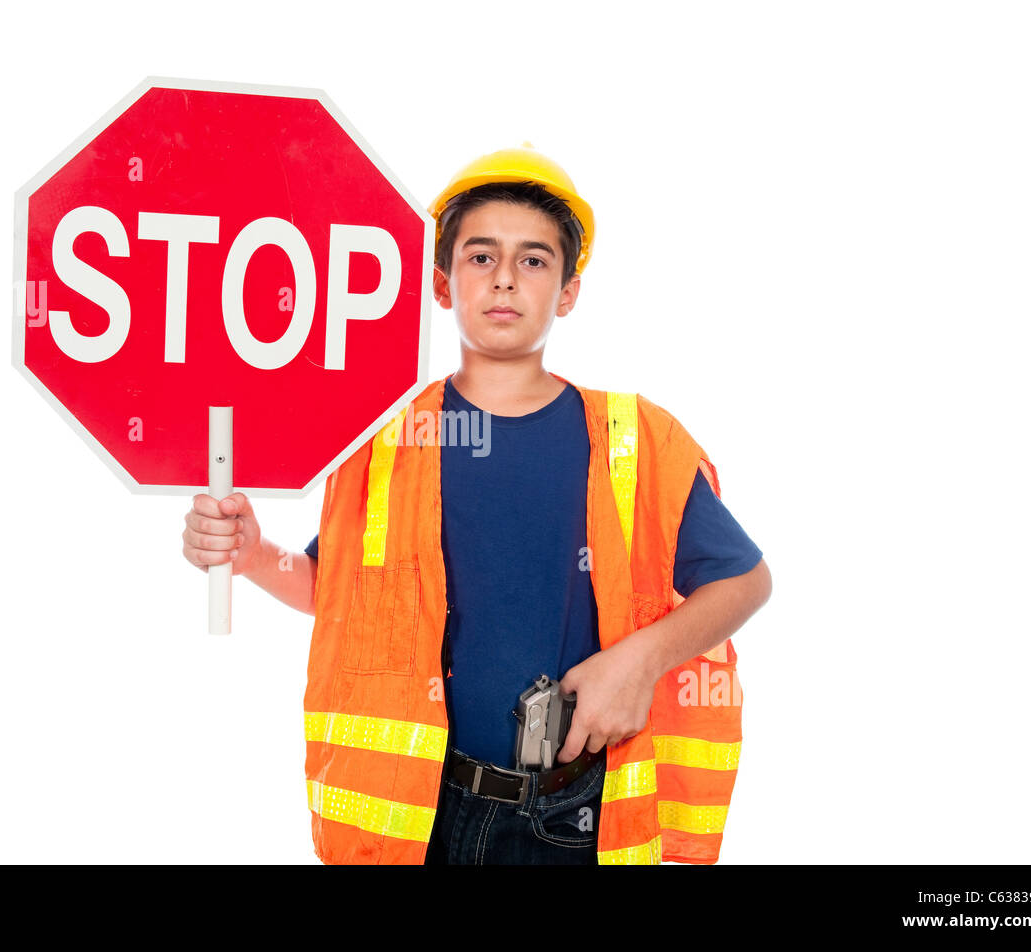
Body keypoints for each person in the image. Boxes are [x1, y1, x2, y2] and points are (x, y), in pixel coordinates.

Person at [182, 145, 772, 865]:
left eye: (533, 260)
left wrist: (640, 662)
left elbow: (747, 580)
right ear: (440, 282)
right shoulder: (389, 439)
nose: (504, 279)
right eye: (480, 256)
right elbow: (338, 591)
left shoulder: (635, 439)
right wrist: (249, 553)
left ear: (568, 291)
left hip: (575, 813)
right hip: (429, 813)